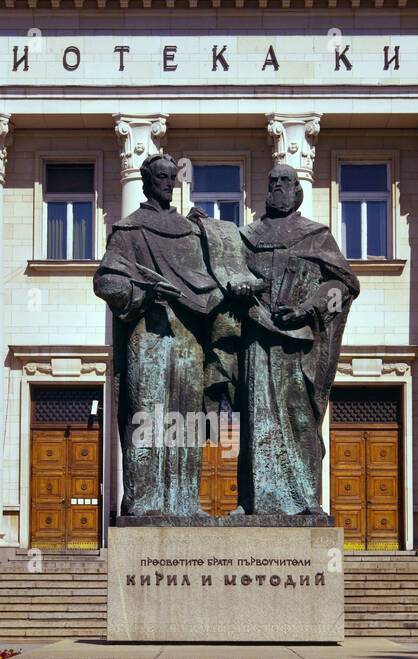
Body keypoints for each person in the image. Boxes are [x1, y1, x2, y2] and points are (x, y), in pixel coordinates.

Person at [94, 154, 249, 517]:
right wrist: (142, 294)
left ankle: (183, 503)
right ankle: (145, 502)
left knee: (187, 417)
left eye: (171, 177)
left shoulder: (190, 231)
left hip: (189, 336)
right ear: (146, 182)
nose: (168, 182)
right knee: (147, 416)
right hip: (148, 335)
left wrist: (209, 229)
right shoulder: (129, 230)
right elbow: (106, 280)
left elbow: (217, 270)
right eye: (160, 177)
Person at [234, 164, 359, 515]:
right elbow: (230, 277)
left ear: (297, 192)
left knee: (300, 418)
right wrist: (239, 288)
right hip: (257, 338)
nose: (276, 187)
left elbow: (345, 286)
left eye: (284, 182)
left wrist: (309, 308)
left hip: (299, 344)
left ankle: (305, 500)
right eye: (271, 181)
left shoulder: (315, 235)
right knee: (255, 417)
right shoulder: (247, 236)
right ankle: (252, 501)